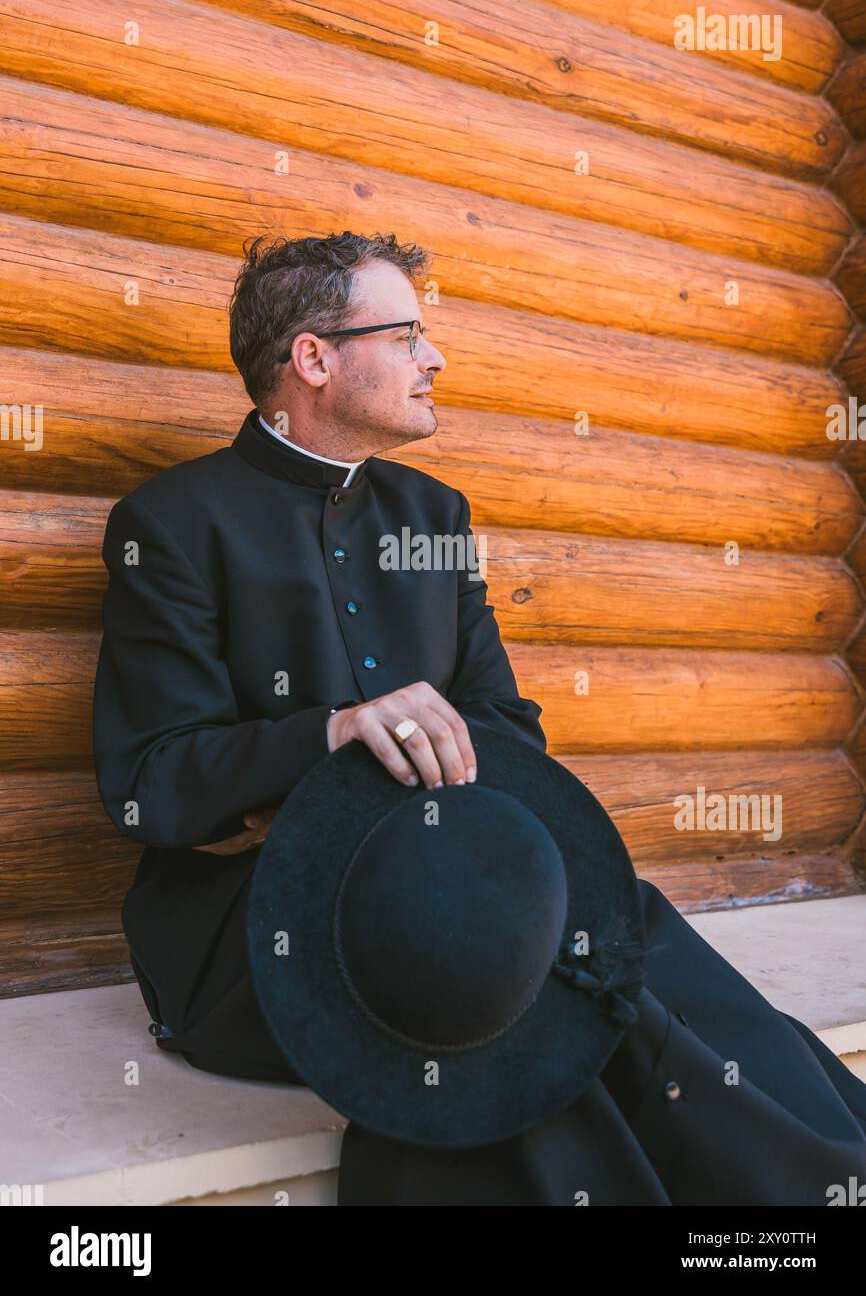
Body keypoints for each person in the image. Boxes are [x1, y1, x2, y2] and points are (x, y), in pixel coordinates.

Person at [93, 230, 866, 1206]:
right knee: (505, 994)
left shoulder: (434, 517)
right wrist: (333, 733)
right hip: (254, 933)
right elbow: (147, 785)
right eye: (406, 333)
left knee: (625, 934)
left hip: (455, 887)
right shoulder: (171, 523)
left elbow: (504, 723)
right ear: (314, 358)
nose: (435, 358)